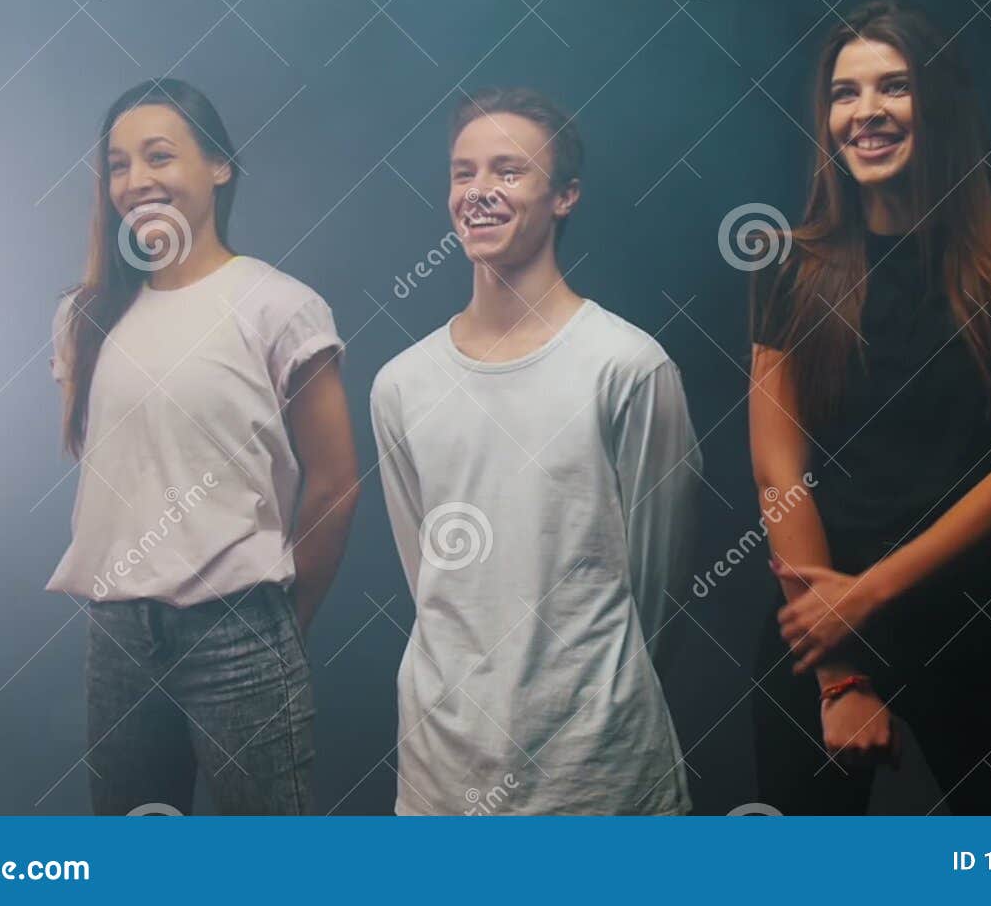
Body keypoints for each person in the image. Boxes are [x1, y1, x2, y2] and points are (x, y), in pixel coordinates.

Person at [748, 0, 991, 814]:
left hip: (978, 621)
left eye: (893, 87)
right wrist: (839, 675)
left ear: (939, 102)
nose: (865, 112)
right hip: (818, 626)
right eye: (845, 93)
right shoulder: (792, 267)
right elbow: (777, 470)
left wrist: (868, 594)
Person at [370, 87, 701, 814]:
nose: (479, 191)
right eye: (463, 172)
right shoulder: (401, 385)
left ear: (565, 196)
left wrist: (594, 694)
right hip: (443, 775)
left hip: (599, 776)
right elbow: (433, 582)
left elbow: (658, 586)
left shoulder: (628, 367)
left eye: (509, 170)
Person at [48, 78, 360, 814]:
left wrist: (280, 627)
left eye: (159, 156)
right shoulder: (84, 316)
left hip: (239, 625)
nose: (136, 180)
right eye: (118, 164)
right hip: (117, 639)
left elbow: (336, 483)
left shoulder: (278, 305)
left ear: (219, 166)